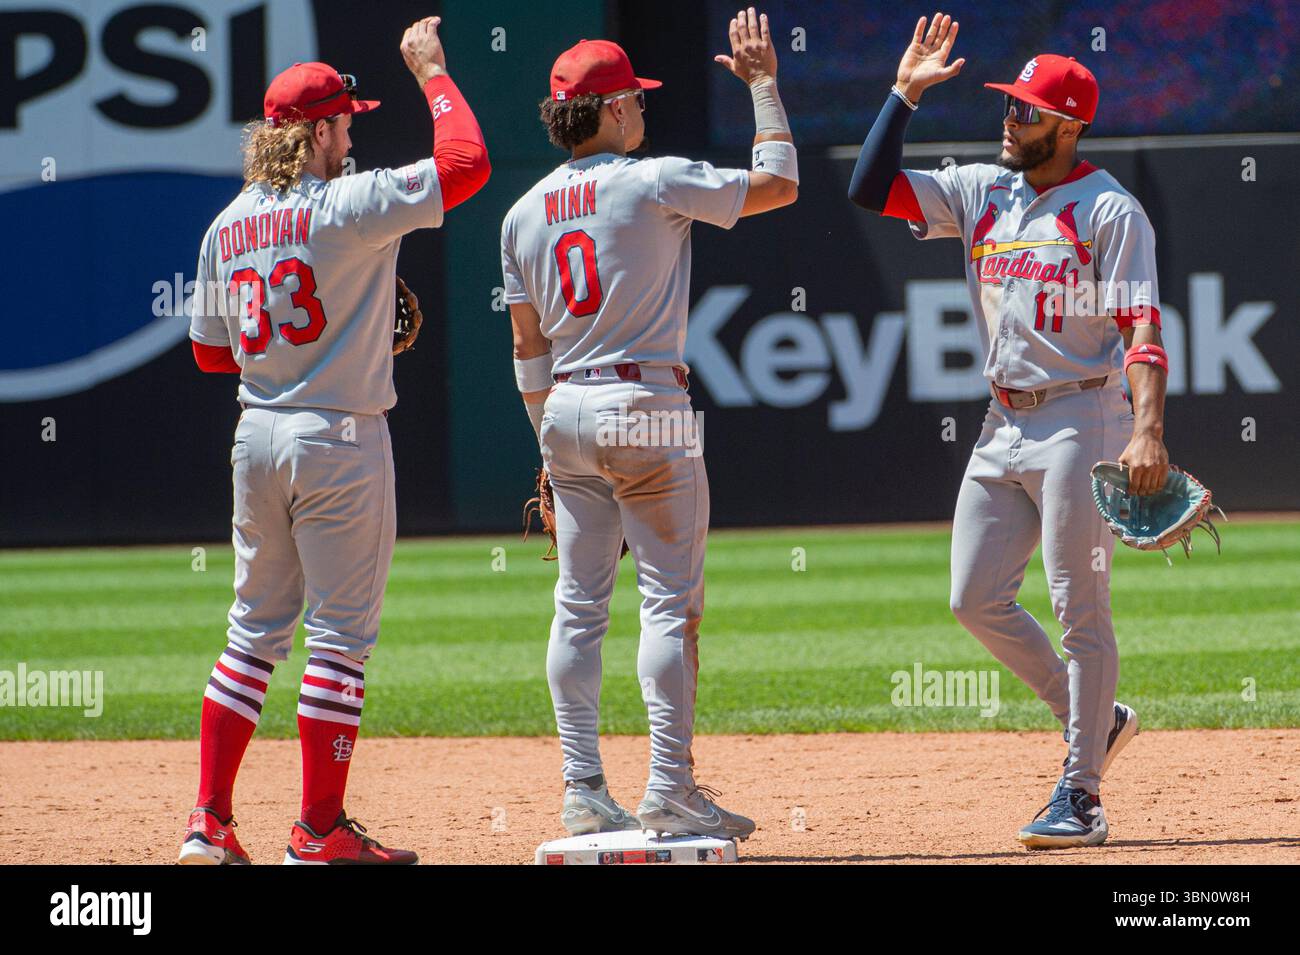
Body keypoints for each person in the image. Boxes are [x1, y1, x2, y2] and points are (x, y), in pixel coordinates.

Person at [847, 13, 1165, 849]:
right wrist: (902, 94)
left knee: (1079, 609)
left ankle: (1083, 793)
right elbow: (869, 187)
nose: (1009, 118)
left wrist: (1147, 430)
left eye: (1026, 109)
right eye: (1009, 104)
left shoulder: (1110, 209)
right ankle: (1093, 718)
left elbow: (1142, 329)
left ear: (1069, 124)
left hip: (1079, 415)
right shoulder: (981, 189)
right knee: (972, 596)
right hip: (1002, 420)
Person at [179, 16, 489, 864]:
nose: (351, 132)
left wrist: (317, 338)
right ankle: (318, 830)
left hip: (257, 433)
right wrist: (432, 71)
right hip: (339, 436)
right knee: (340, 639)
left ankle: (208, 821)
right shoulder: (347, 201)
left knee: (252, 630)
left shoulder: (226, 221)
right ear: (317, 132)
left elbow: (212, 352)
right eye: (346, 120)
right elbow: (467, 165)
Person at [499, 9, 798, 841]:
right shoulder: (653, 178)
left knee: (578, 603)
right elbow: (779, 181)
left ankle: (582, 785)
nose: (643, 108)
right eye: (634, 97)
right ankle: (669, 786)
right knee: (668, 605)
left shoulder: (521, 213)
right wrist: (764, 86)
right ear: (609, 109)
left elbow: (526, 346)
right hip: (649, 403)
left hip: (562, 406)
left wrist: (546, 457)